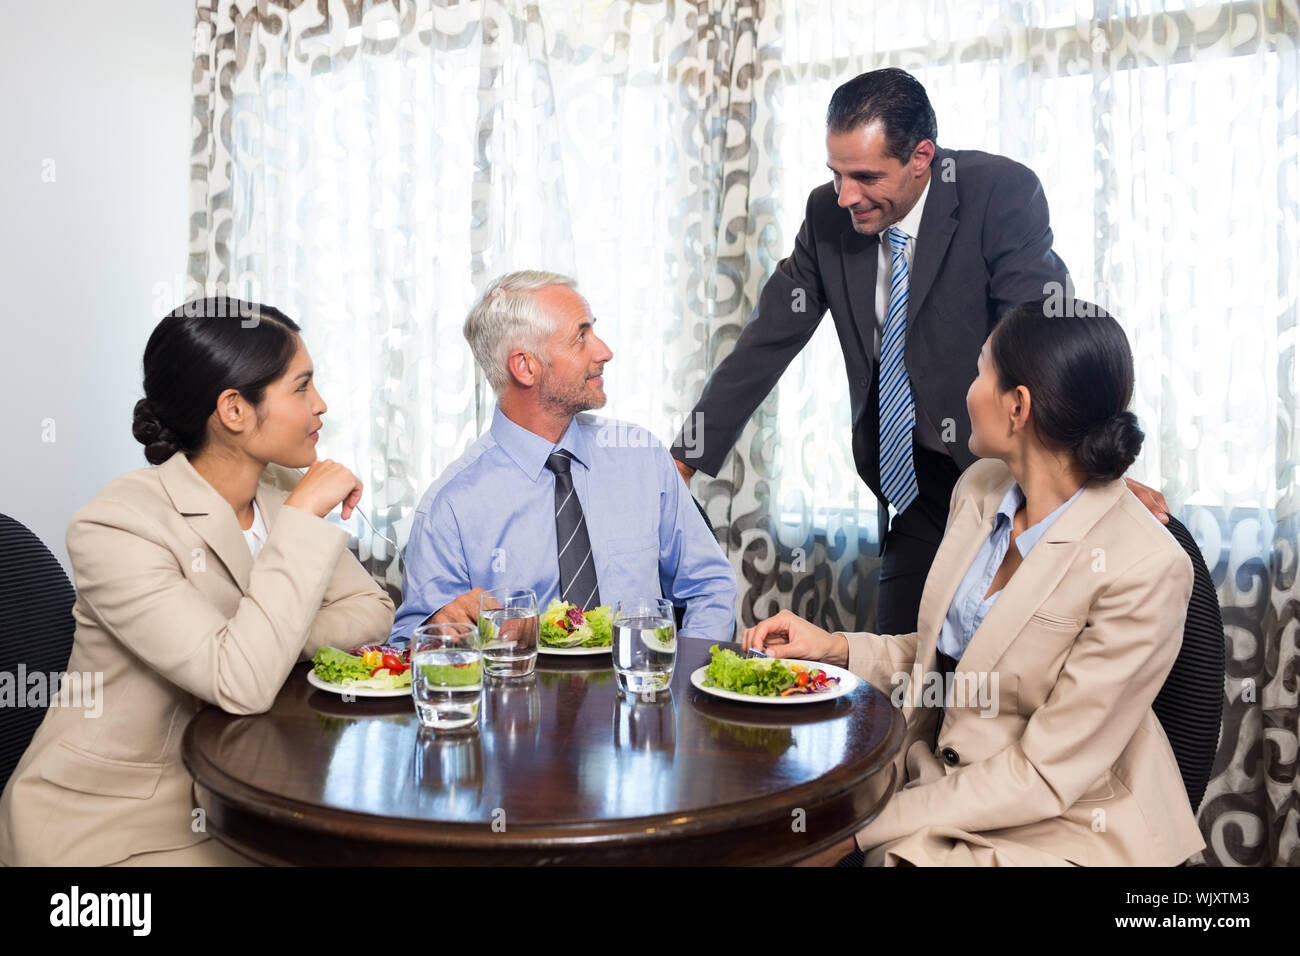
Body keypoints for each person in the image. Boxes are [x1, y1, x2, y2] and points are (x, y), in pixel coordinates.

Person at [670, 67, 1171, 634]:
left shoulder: (999, 194)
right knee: (904, 682)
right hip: (915, 486)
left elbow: (1042, 341)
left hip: (1008, 476)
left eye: (864, 176)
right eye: (835, 174)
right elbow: (764, 343)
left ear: (922, 156)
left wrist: (1086, 471)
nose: (846, 195)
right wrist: (680, 463)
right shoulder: (827, 216)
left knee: (1009, 669)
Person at [742, 299, 1205, 867]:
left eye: (981, 370)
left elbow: (1041, 773)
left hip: (1065, 823)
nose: (967, 389)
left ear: (1018, 406)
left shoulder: (1145, 567)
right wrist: (834, 648)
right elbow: (961, 658)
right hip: (947, 786)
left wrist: (858, 833)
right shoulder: (980, 487)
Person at [0, 298, 395, 867]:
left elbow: (372, 607)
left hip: (246, 800)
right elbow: (241, 682)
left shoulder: (279, 487)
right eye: (302, 387)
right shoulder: (116, 525)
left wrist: (270, 640)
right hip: (113, 832)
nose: (321, 405)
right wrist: (303, 522)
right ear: (234, 409)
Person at [392, 270, 736, 640]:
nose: (604, 351)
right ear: (525, 367)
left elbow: (709, 587)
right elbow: (411, 643)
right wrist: (436, 631)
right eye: (581, 337)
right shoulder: (450, 508)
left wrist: (682, 681)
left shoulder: (643, 458)